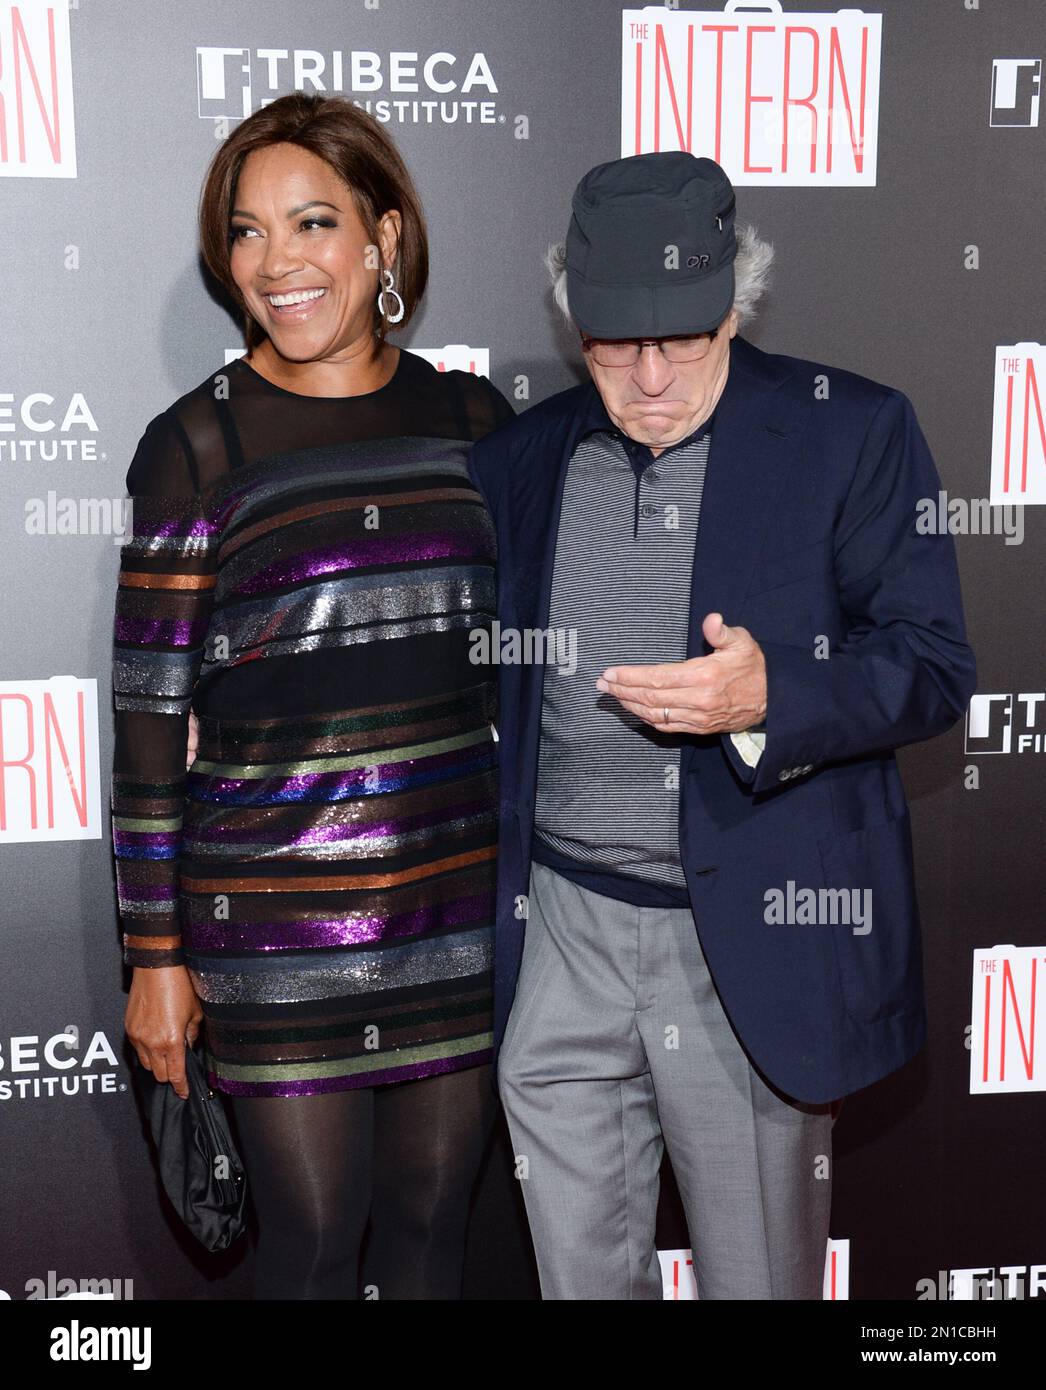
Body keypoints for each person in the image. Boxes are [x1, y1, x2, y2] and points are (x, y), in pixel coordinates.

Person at [466, 150, 976, 1299]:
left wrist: (771, 699)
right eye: (612, 344)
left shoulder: (850, 433)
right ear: (571, 323)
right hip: (561, 938)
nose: (647, 377)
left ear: (734, 304)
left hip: (747, 943)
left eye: (682, 340)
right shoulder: (518, 460)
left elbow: (933, 666)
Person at [110, 91, 514, 1299]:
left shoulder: (473, 420)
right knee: (310, 1248)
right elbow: (143, 723)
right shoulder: (197, 444)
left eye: (312, 223)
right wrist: (155, 956)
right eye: (246, 232)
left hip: (452, 906)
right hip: (273, 923)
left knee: (434, 1239)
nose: (274, 264)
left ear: (384, 239)